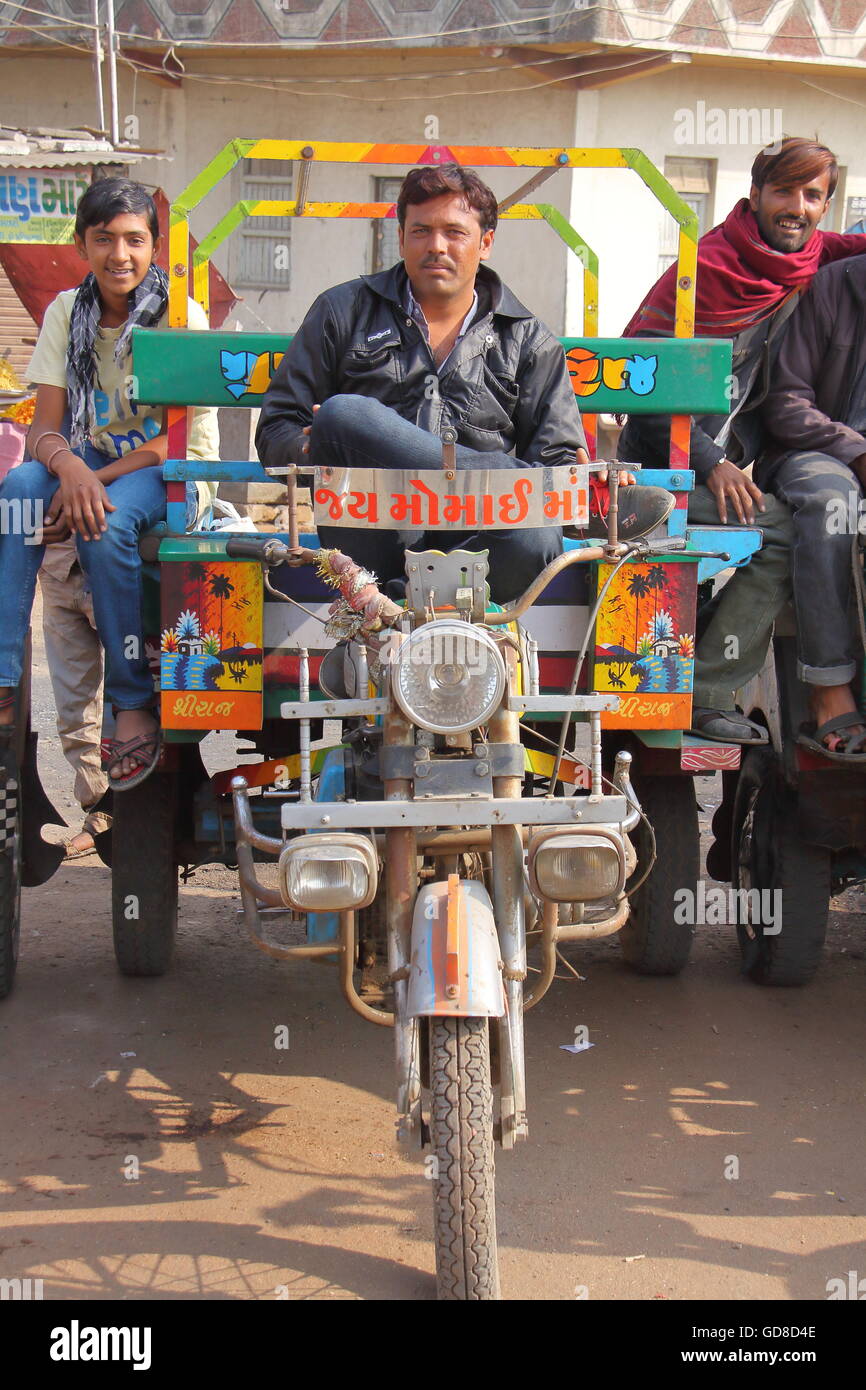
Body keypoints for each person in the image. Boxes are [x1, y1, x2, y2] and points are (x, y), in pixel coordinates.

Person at [256, 163, 672, 602]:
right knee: (343, 415)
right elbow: (276, 431)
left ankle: (398, 603)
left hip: (483, 545)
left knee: (539, 540)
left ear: (485, 242)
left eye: (454, 232)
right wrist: (321, 444)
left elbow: (556, 456)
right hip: (372, 529)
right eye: (421, 231)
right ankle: (564, 502)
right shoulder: (342, 311)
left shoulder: (528, 338)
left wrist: (570, 474)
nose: (436, 246)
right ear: (401, 238)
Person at [619, 137, 866, 742]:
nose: (797, 207)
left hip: (723, 467)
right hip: (664, 470)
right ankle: (705, 689)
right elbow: (641, 381)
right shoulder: (708, 269)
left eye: (813, 195)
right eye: (783, 190)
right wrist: (711, 464)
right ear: (753, 196)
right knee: (780, 528)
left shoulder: (808, 261)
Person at [0, 178, 219, 788]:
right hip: (85, 465)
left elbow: (174, 441)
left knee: (107, 520)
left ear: (154, 247)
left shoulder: (180, 314)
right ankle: (2, 675)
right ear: (81, 245)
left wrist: (89, 482)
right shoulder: (66, 314)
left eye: (133, 239)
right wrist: (70, 470)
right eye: (104, 240)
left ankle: (129, 700)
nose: (119, 254)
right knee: (17, 495)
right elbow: (45, 429)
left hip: (169, 472)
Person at [759, 254, 866, 761]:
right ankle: (830, 686)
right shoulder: (832, 288)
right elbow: (787, 402)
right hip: (816, 452)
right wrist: (857, 450)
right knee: (832, 503)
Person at [38, 539, 111, 856]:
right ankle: (101, 814)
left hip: (116, 564)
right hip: (58, 566)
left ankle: (141, 810)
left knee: (139, 693)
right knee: (73, 707)